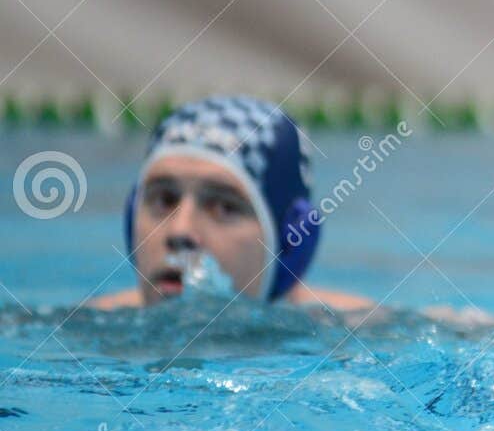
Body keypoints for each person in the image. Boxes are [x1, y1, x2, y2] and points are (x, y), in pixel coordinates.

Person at [87, 95, 372, 314]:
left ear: (289, 244)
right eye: (164, 200)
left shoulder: (364, 337)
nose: (180, 231)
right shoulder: (82, 330)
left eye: (223, 207)